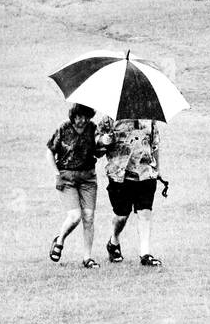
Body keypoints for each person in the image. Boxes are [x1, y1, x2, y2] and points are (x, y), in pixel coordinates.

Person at [46, 103, 109, 268]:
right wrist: (56, 174)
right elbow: (50, 151)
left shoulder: (92, 128)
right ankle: (59, 240)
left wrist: (105, 143)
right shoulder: (63, 128)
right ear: (73, 116)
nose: (82, 121)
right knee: (75, 216)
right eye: (79, 117)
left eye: (85, 117)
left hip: (88, 178)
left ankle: (87, 258)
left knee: (89, 218)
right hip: (67, 177)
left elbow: (98, 151)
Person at [104, 118, 164, 266]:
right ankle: (114, 241)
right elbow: (98, 147)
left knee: (145, 213)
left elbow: (154, 145)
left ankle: (145, 254)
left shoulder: (150, 120)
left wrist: (157, 170)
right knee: (121, 216)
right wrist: (104, 140)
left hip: (145, 173)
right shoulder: (112, 119)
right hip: (120, 175)